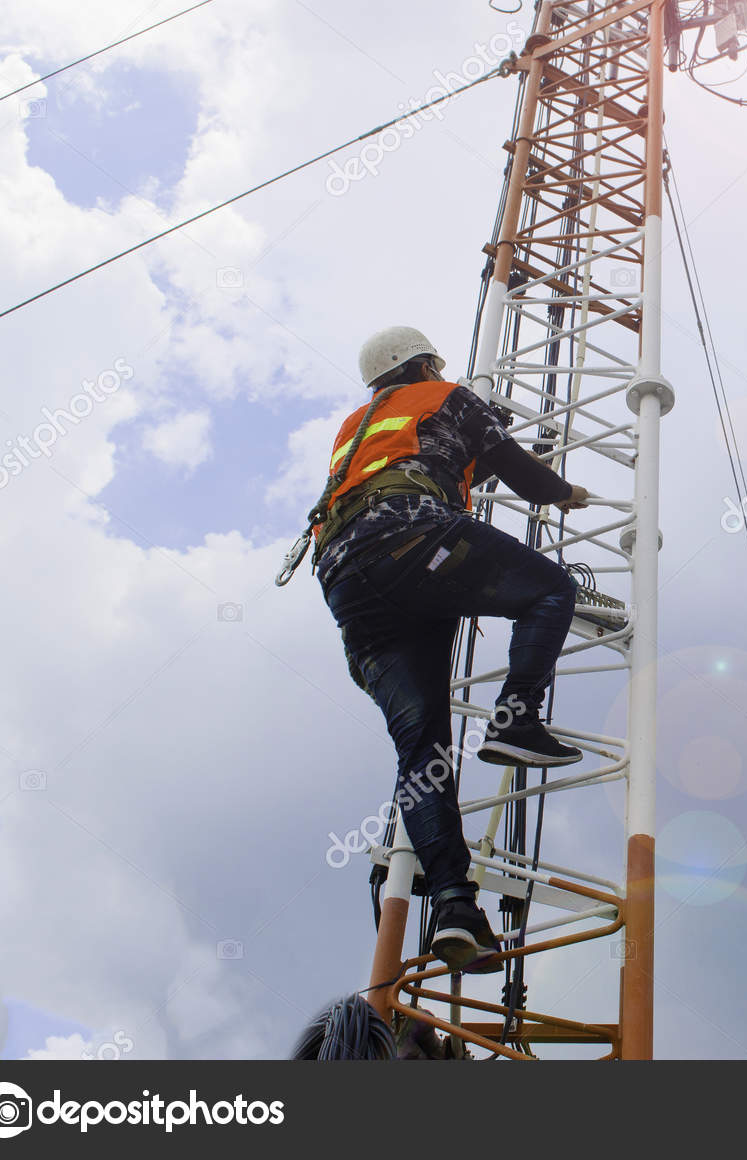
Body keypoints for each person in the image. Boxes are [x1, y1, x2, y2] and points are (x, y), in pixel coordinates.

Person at [315, 325, 590, 972]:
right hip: (408, 537)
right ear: (422, 365)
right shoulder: (446, 395)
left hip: (346, 579)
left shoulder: (357, 427)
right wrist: (563, 492)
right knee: (550, 590)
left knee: (423, 756)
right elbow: (522, 476)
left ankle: (455, 906)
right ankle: (515, 717)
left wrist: (479, 458)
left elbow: (422, 467)